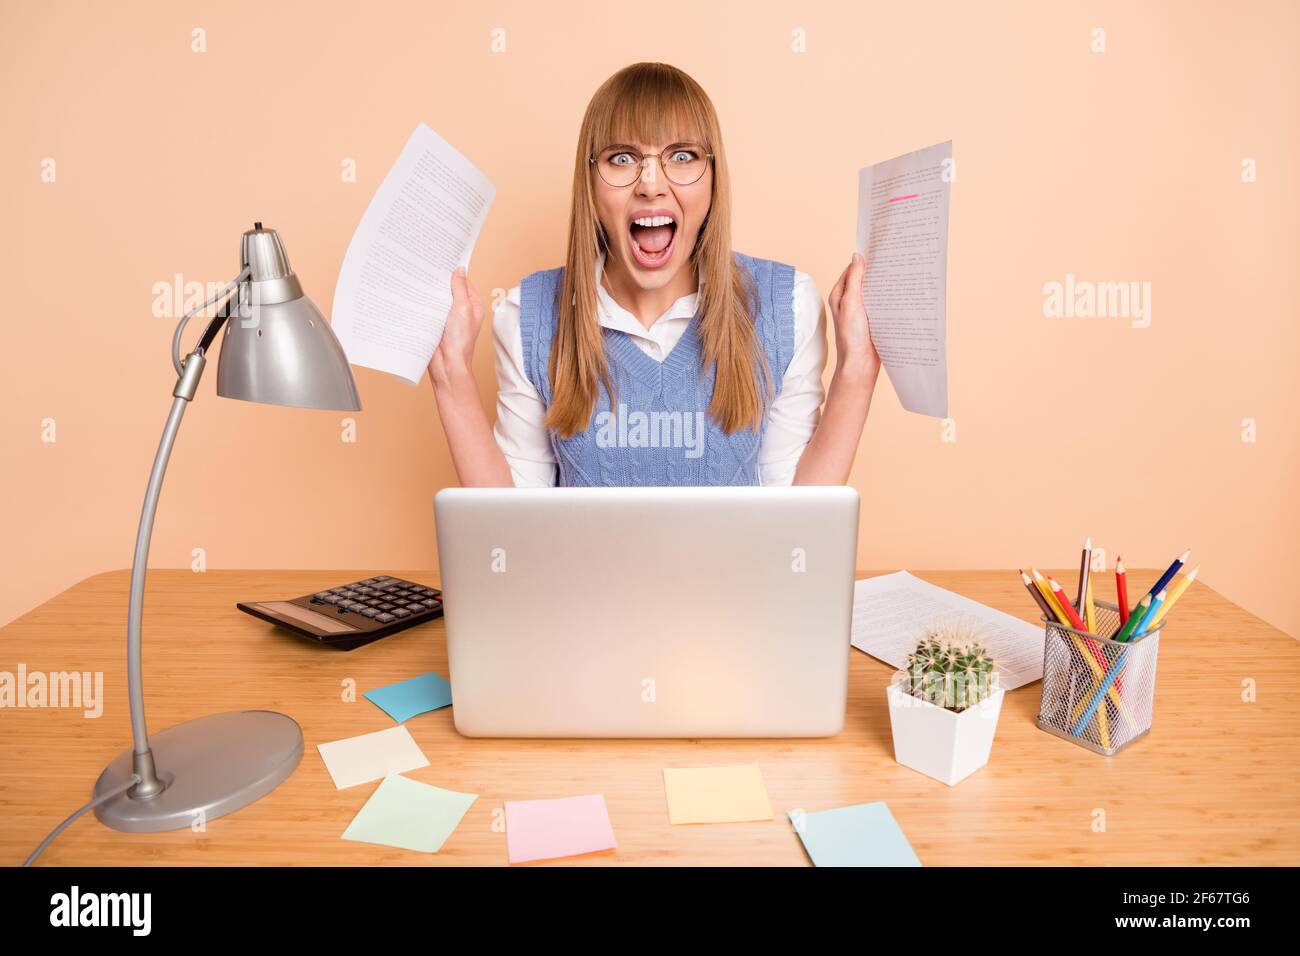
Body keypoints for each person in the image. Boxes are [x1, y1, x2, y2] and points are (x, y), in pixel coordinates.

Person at [428, 61, 879, 487]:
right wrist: (452, 376)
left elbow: (798, 523)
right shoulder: (528, 315)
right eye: (622, 158)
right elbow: (511, 535)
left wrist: (856, 370)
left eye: (681, 156)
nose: (650, 183)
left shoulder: (788, 306)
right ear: (590, 181)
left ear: (713, 179)